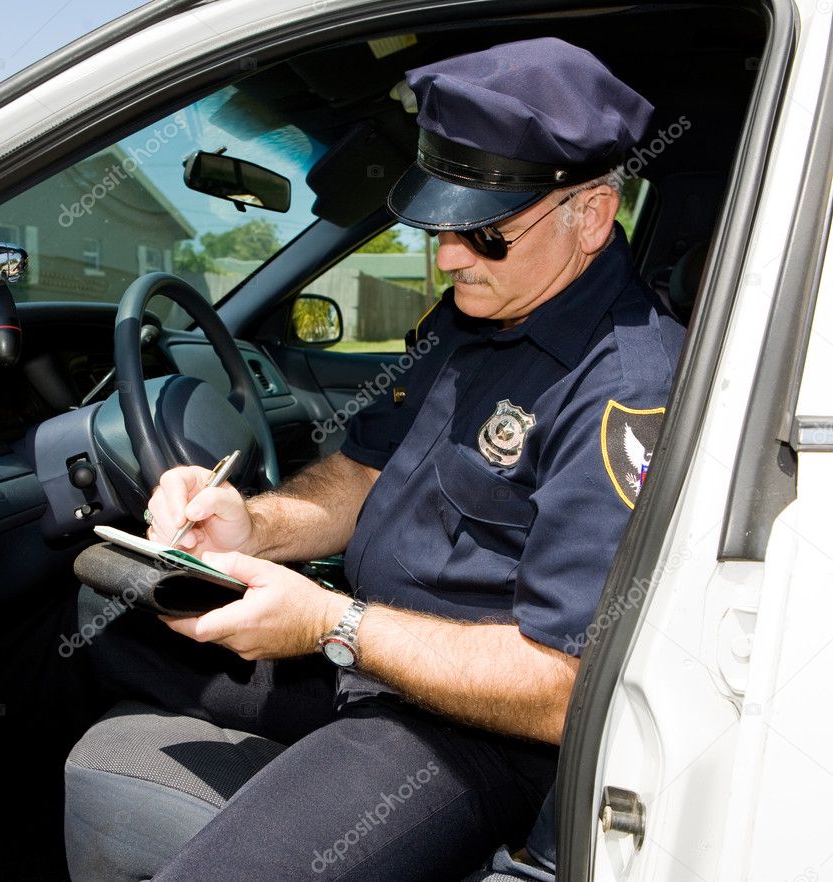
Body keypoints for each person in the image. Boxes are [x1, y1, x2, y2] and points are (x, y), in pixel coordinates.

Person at [78, 36, 685, 881]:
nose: (446, 257)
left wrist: (335, 626)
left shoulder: (626, 387)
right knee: (90, 623)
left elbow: (565, 687)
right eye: (439, 224)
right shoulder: (473, 313)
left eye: (484, 234)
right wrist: (250, 525)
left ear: (587, 213)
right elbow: (361, 477)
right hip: (362, 659)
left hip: (474, 732)